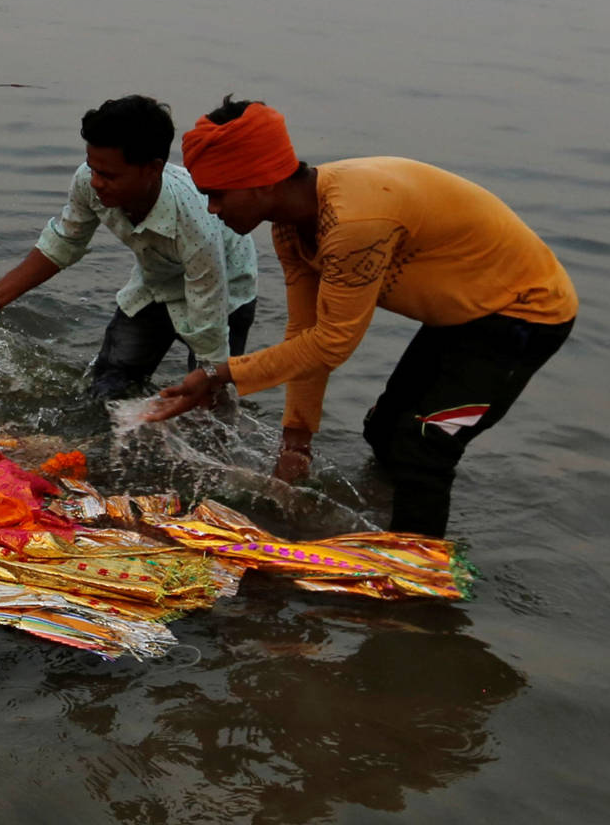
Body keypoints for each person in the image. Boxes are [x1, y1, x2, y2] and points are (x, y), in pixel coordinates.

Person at [147, 100, 577, 538]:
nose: (213, 209)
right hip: (463, 312)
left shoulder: (353, 222)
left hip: (523, 315)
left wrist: (218, 375)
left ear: (260, 181)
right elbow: (304, 332)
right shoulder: (290, 224)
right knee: (384, 430)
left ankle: (413, 569)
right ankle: (390, 517)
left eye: (217, 193)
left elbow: (333, 342)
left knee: (423, 445)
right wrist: (297, 442)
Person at [0, 96, 259, 404]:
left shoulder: (194, 220)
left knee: (211, 398)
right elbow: (64, 243)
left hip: (225, 293)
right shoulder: (88, 183)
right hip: (156, 284)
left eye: (108, 175)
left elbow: (208, 314)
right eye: (92, 168)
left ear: (152, 169)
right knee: (108, 390)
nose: (95, 183)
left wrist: (207, 378)